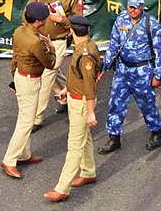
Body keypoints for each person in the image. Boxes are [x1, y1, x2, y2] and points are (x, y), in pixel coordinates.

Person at [98, 0, 161, 154]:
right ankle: (114, 137)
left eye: (136, 7)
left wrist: (158, 76)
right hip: (122, 70)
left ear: (143, 6)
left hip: (142, 70)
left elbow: (160, 52)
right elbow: (114, 44)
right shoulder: (121, 19)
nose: (132, 10)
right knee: (115, 103)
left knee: (147, 104)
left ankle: (156, 131)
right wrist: (104, 66)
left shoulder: (152, 24)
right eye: (130, 7)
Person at [44, 14, 101, 203]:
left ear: (71, 31)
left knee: (74, 145)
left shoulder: (85, 55)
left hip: (81, 102)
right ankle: (88, 171)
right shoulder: (86, 47)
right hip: (75, 96)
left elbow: (90, 85)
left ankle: (62, 188)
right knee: (85, 138)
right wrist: (66, 89)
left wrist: (91, 111)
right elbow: (78, 77)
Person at [1, 2, 56, 178]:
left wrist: (14, 78)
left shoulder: (19, 32)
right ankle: (9, 160)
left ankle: (23, 154)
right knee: (26, 122)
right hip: (30, 82)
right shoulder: (36, 42)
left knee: (24, 116)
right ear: (39, 22)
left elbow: (15, 56)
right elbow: (50, 63)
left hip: (20, 75)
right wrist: (51, 48)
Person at [30, 0, 84, 128]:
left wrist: (63, 20)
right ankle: (66, 95)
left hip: (58, 40)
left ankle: (37, 117)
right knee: (52, 73)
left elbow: (79, 21)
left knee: (46, 78)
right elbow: (31, 6)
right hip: (40, 37)